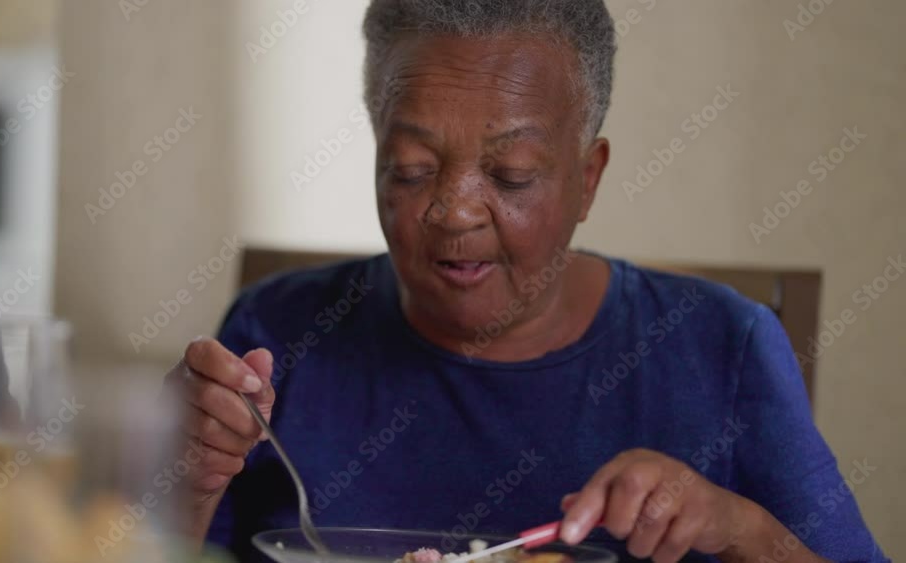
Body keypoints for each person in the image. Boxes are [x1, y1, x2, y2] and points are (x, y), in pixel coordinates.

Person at [162, 1, 887, 561]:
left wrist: (737, 528)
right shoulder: (278, 333)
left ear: (587, 179)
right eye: (412, 168)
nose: (455, 211)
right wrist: (176, 476)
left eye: (511, 175)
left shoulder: (723, 348)